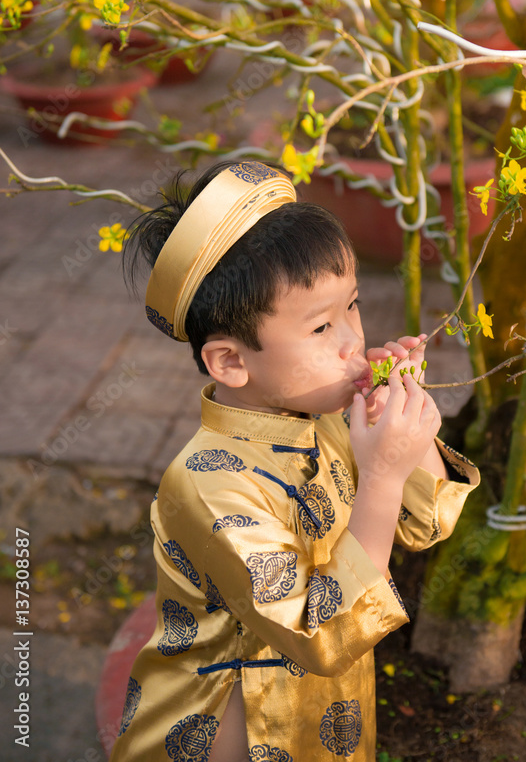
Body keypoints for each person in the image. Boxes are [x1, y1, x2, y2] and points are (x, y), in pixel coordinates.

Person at [109, 159, 479, 762]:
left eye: (353, 307)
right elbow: (324, 635)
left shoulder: (328, 417)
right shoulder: (205, 485)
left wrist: (403, 440)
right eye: (320, 327)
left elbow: (425, 525)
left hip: (327, 716)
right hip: (234, 733)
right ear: (230, 362)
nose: (352, 342)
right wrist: (381, 476)